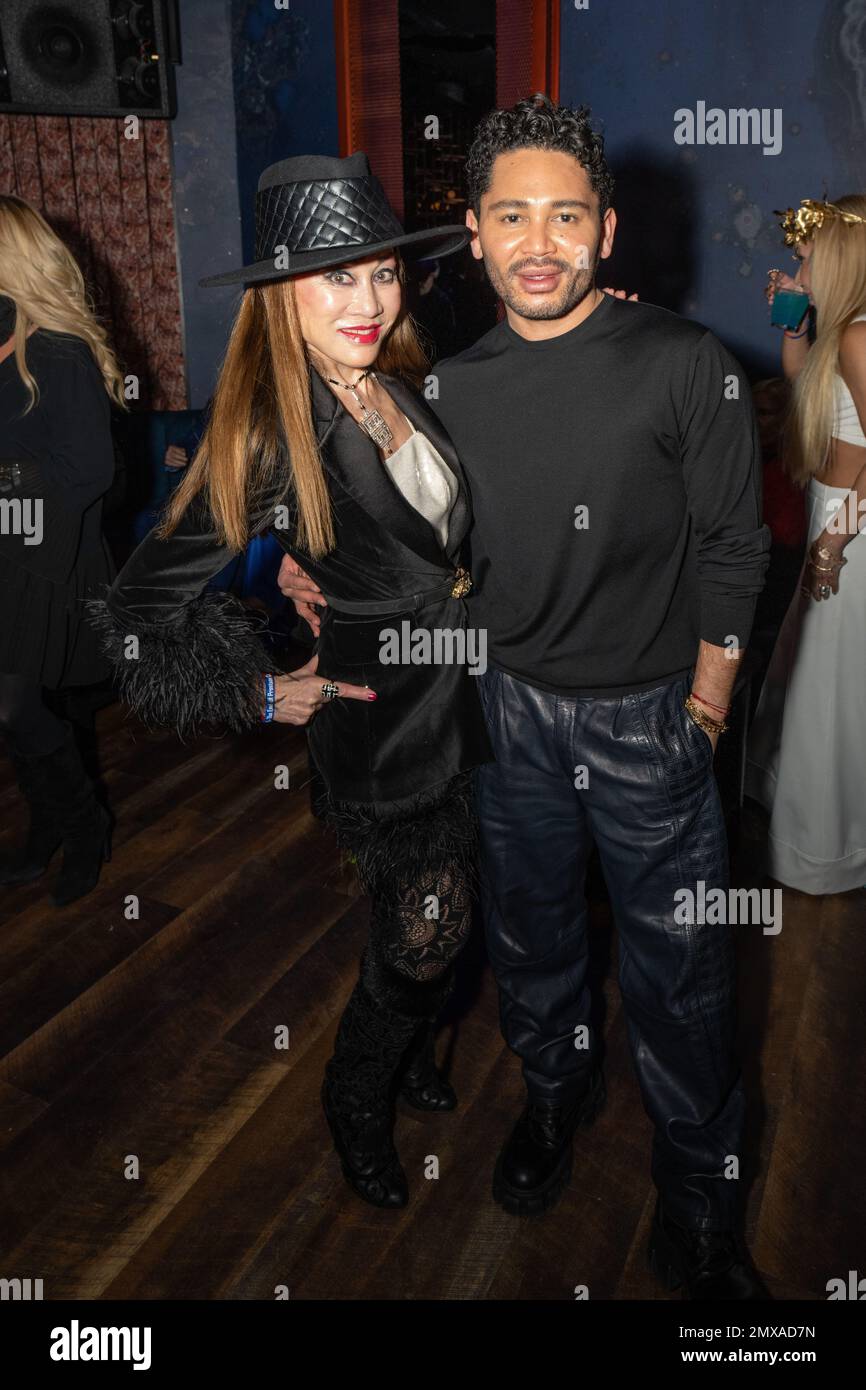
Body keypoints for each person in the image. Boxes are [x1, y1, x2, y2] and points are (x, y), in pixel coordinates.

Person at [279, 96, 773, 1298]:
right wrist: (322, 579)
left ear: (604, 232)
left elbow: (731, 548)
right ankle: (552, 1104)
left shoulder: (683, 363)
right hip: (501, 720)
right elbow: (414, 536)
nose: (537, 241)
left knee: (683, 976)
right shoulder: (447, 386)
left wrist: (703, 711)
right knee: (531, 945)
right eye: (511, 215)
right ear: (474, 231)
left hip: (651, 719)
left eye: (564, 215)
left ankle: (700, 1205)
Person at [87, 153, 492, 1210]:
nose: (368, 301)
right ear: (279, 292)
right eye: (336, 278)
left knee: (442, 913)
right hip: (381, 728)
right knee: (426, 925)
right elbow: (135, 620)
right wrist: (268, 694)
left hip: (466, 700)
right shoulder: (271, 425)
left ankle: (404, 1053)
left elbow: (426, 536)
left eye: (382, 274)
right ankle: (355, 1091)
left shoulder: (391, 371)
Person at [0, 194, 121, 907]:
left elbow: (90, 469)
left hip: (45, 559)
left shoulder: (58, 349)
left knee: (15, 704)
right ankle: (48, 825)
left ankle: (86, 825)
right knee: (12, 708)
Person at [746, 196, 866, 893]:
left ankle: (827, 850)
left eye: (805, 255)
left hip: (851, 527)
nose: (797, 264)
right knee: (805, 669)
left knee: (829, 686)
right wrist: (792, 317)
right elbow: (800, 383)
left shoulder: (858, 335)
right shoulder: (843, 329)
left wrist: (833, 541)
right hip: (838, 517)